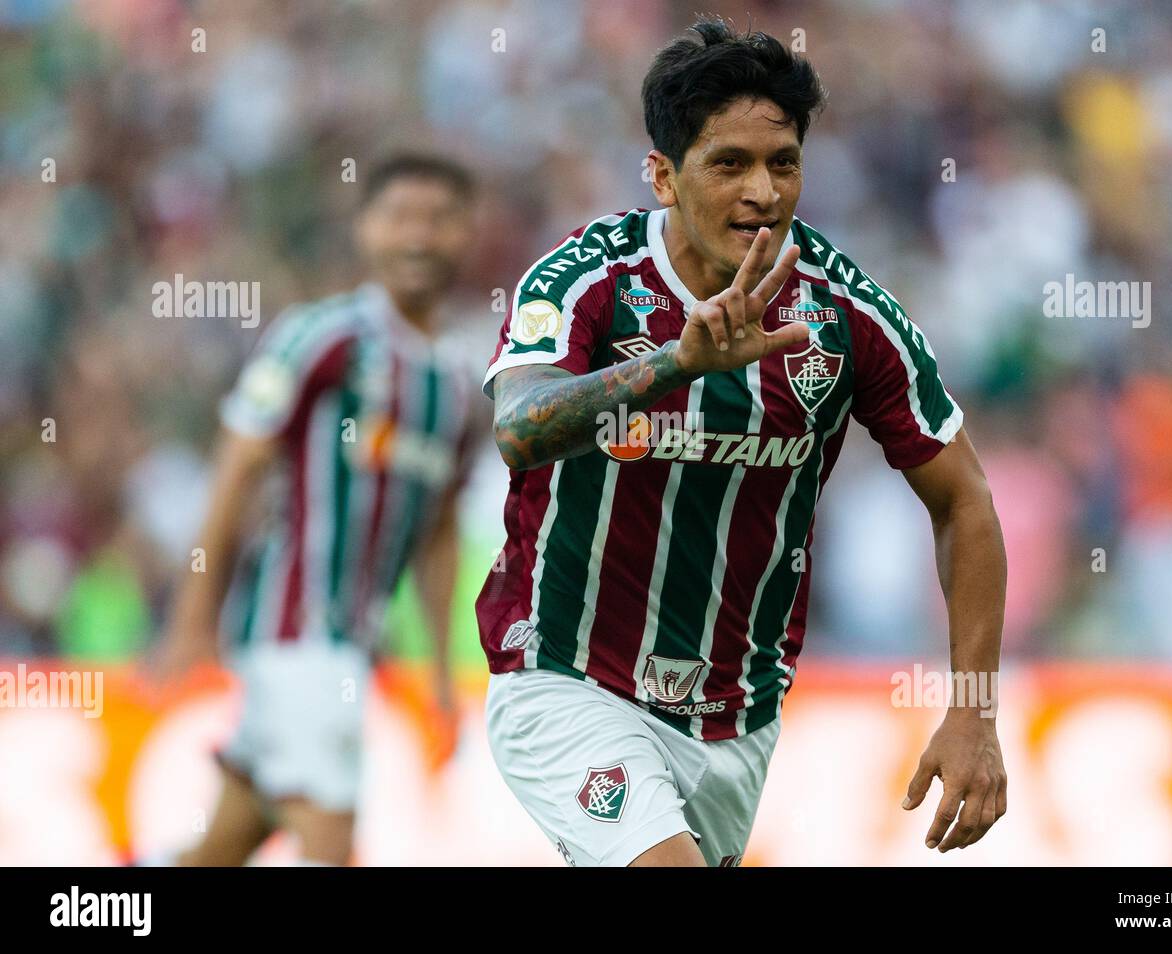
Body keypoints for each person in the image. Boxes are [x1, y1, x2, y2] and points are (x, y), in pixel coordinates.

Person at [477, 20, 1009, 867]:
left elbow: (965, 500)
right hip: (568, 677)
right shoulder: (586, 280)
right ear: (663, 175)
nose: (762, 191)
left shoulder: (847, 314)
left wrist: (973, 712)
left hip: (738, 716)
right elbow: (519, 429)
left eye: (783, 163)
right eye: (729, 164)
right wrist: (672, 365)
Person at [154, 154, 480, 865]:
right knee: (330, 845)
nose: (419, 236)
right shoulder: (324, 337)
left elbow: (439, 533)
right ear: (365, 229)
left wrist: (439, 670)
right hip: (295, 632)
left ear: (467, 233)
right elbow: (238, 465)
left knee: (223, 844)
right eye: (400, 217)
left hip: (352, 646)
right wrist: (192, 613)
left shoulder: (458, 383)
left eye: (439, 219)